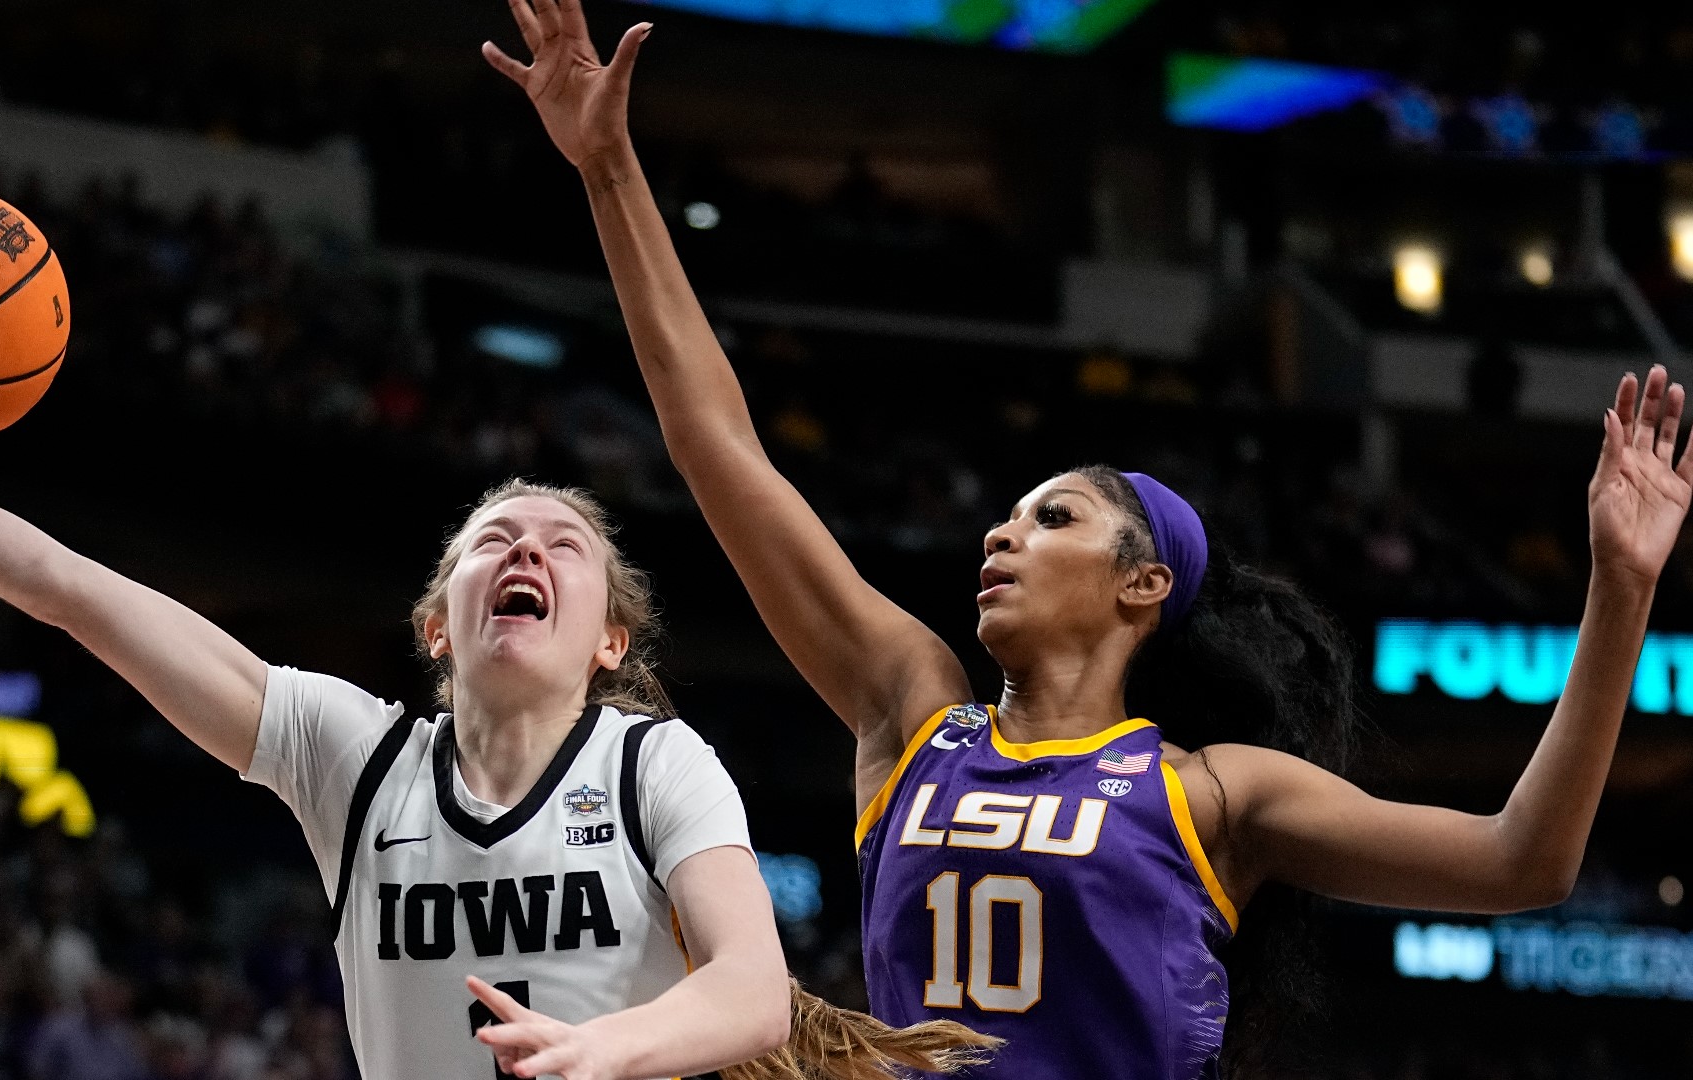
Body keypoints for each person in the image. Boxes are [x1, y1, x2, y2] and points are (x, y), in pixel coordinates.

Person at [482, 3, 1693, 1074]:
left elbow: (1523, 861)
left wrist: (1621, 589)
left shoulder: (1212, 792)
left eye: (1052, 516)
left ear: (1142, 583)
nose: (1002, 534)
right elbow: (717, 446)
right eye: (1011, 515)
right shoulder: (914, 714)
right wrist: (608, 169)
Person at [0, 279, 994, 1080]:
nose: (524, 552)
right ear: (437, 626)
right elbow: (71, 589)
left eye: (562, 547)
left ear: (610, 644)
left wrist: (600, 1051)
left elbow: (753, 993)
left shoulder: (655, 765)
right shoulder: (353, 760)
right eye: (494, 541)